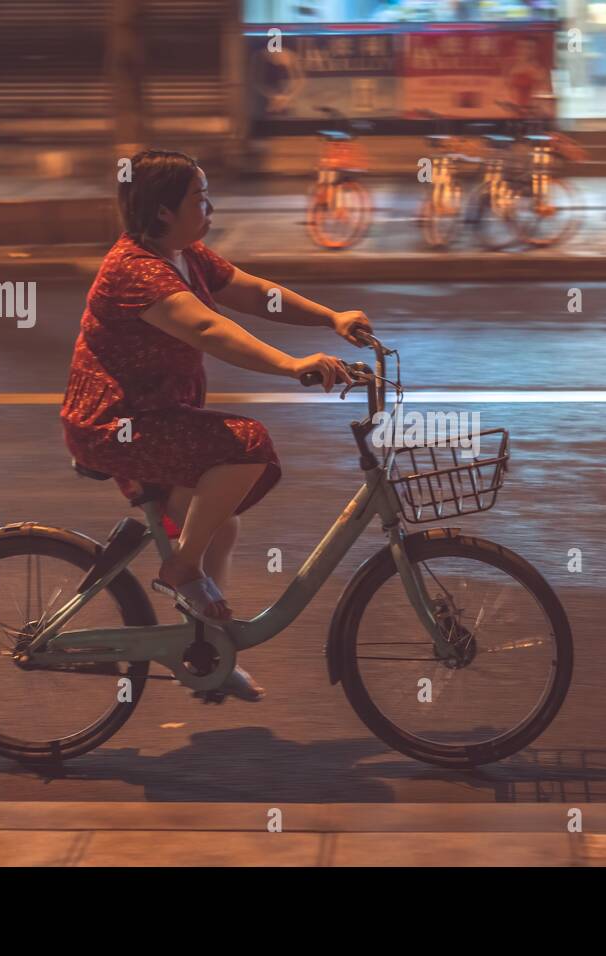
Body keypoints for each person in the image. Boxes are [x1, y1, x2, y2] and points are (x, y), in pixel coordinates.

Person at [60, 149, 372, 699]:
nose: (210, 207)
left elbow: (253, 292)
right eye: (199, 198)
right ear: (162, 212)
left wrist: (330, 318)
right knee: (248, 446)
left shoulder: (183, 254)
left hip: (157, 415)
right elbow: (208, 329)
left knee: (220, 523)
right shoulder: (133, 271)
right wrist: (291, 364)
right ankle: (181, 570)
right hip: (118, 423)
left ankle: (205, 651)